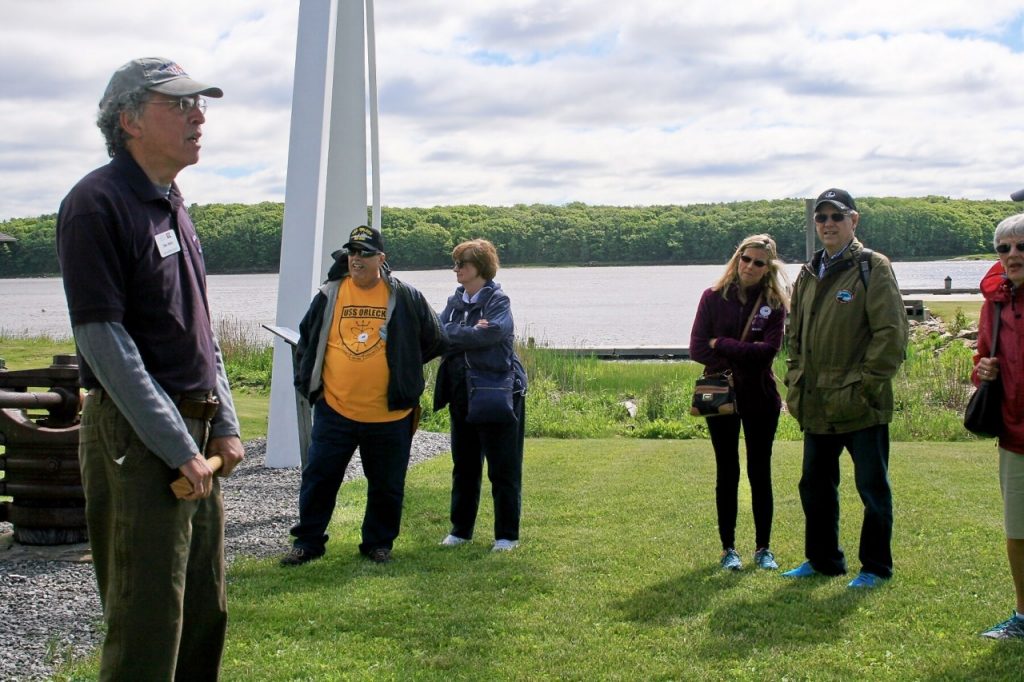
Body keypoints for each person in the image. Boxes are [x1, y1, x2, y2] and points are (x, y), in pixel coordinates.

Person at [55, 58, 245, 680]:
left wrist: (224, 424)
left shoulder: (171, 204)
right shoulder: (96, 204)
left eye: (200, 104)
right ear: (129, 120)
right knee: (148, 619)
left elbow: (200, 329)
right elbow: (102, 340)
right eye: (180, 104)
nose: (199, 117)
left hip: (193, 432)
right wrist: (176, 446)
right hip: (137, 440)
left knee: (203, 610)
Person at [282, 225, 444, 566]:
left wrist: (403, 367)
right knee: (319, 479)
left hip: (391, 415)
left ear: (381, 259)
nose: (357, 259)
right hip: (335, 410)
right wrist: (311, 387)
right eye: (353, 253)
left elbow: (435, 339)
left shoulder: (405, 296)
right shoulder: (330, 293)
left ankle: (378, 543)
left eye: (365, 254)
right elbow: (306, 340)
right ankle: (308, 542)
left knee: (386, 485)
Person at [782, 188, 908, 588]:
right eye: (821, 218)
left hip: (860, 403)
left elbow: (891, 334)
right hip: (817, 402)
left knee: (872, 488)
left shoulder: (872, 266)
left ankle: (875, 567)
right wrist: (795, 377)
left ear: (854, 220)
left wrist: (866, 386)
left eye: (837, 216)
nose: (828, 224)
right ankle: (823, 560)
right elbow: (794, 335)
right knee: (815, 486)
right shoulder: (808, 271)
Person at [689, 234, 789, 571]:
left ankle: (763, 549)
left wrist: (721, 343)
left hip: (761, 398)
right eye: (746, 258)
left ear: (768, 268)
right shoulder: (712, 297)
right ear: (737, 258)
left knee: (760, 472)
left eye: (759, 262)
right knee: (727, 471)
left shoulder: (775, 304)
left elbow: (767, 353)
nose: (750, 266)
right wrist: (740, 351)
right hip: (721, 396)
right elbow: (697, 348)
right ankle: (728, 548)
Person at [433, 239, 528, 552]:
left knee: (503, 467)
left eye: (463, 264)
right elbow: (438, 334)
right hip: (461, 394)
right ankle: (461, 531)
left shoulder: (499, 300)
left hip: (496, 394)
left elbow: (492, 332)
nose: (456, 269)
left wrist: (459, 333)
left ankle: (506, 536)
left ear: (481, 268)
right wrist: (470, 332)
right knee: (464, 465)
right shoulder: (454, 301)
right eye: (456, 263)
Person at [974, 213, 1024, 639]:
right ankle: (1023, 617)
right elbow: (981, 361)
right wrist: (983, 370)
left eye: (1022, 246)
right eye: (1004, 248)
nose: (1013, 254)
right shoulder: (995, 302)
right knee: (1019, 530)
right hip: (1014, 432)